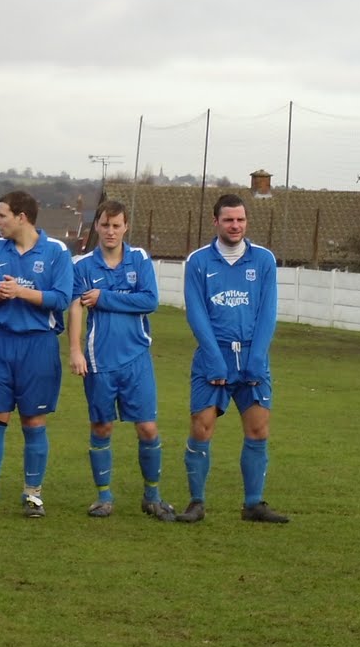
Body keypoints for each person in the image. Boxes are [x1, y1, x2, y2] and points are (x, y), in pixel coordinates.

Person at [176, 193, 287, 524]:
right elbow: (196, 313)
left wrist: (258, 357)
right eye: (228, 219)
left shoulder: (264, 260)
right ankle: (196, 502)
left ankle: (253, 504)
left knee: (258, 429)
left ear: (246, 221)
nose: (235, 225)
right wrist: (213, 357)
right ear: (216, 222)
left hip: (253, 356)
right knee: (202, 427)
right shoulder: (198, 261)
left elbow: (268, 312)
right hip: (215, 355)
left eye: (240, 219)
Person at [67, 200, 175, 522]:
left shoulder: (139, 259)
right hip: (99, 360)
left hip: (137, 358)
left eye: (116, 225)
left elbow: (150, 300)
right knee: (101, 426)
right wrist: (74, 350)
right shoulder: (82, 266)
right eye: (105, 225)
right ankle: (104, 497)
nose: (111, 231)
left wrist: (104, 298)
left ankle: (152, 496)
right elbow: (74, 307)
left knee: (148, 427)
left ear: (126, 226)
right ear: (96, 226)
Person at [0, 190, 73, 518]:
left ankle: (33, 495)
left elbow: (62, 298)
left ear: (21, 217)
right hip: (1, 343)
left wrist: (21, 292)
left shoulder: (56, 251)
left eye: (1, 216)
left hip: (39, 345)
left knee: (33, 419)